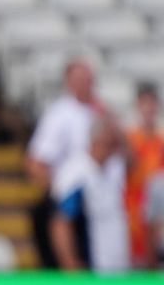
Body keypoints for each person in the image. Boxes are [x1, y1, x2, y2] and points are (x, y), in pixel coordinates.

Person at [26, 58, 113, 267]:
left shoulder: (102, 112)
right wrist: (57, 190)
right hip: (74, 189)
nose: (85, 84)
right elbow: (36, 160)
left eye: (88, 79)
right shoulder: (59, 114)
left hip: (99, 193)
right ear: (68, 82)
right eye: (79, 79)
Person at [51, 117, 129, 274]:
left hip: (117, 263)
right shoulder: (76, 173)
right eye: (107, 144)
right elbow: (62, 221)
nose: (110, 150)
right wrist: (69, 263)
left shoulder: (114, 168)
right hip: (92, 264)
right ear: (94, 142)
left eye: (113, 145)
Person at [124, 82, 162, 267]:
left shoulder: (161, 140)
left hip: (157, 216)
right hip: (133, 213)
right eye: (144, 103)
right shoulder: (128, 139)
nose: (148, 108)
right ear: (137, 105)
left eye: (152, 103)